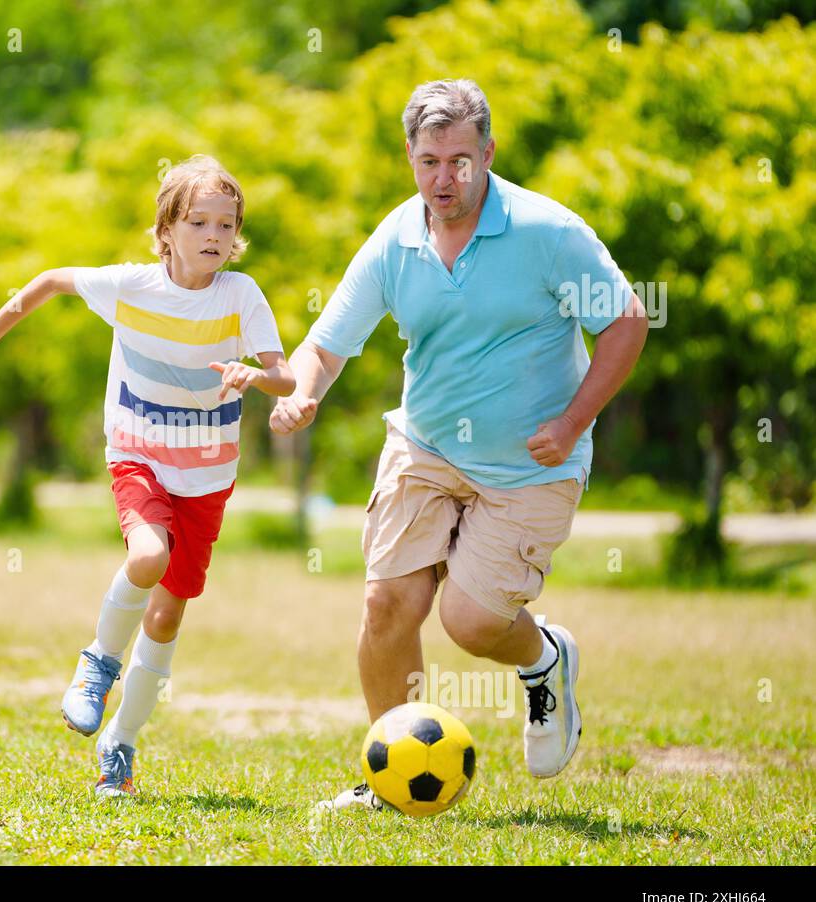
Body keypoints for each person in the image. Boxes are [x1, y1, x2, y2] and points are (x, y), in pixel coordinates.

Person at [269, 80, 649, 810]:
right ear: (410, 160)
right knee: (387, 606)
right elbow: (327, 343)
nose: (444, 178)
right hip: (427, 445)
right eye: (428, 160)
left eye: (460, 161)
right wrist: (304, 392)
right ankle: (390, 781)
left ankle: (543, 660)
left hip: (529, 466)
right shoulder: (396, 238)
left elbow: (627, 322)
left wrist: (572, 422)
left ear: (488, 154)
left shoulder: (547, 232)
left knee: (471, 623)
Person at [0, 154, 294, 797]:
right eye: (199, 222)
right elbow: (51, 281)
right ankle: (97, 664)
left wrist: (258, 377)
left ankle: (121, 744)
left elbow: (285, 375)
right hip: (139, 454)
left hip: (208, 473)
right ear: (166, 229)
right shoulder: (131, 287)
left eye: (227, 224)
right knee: (146, 555)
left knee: (166, 621)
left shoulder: (242, 295)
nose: (215, 235)